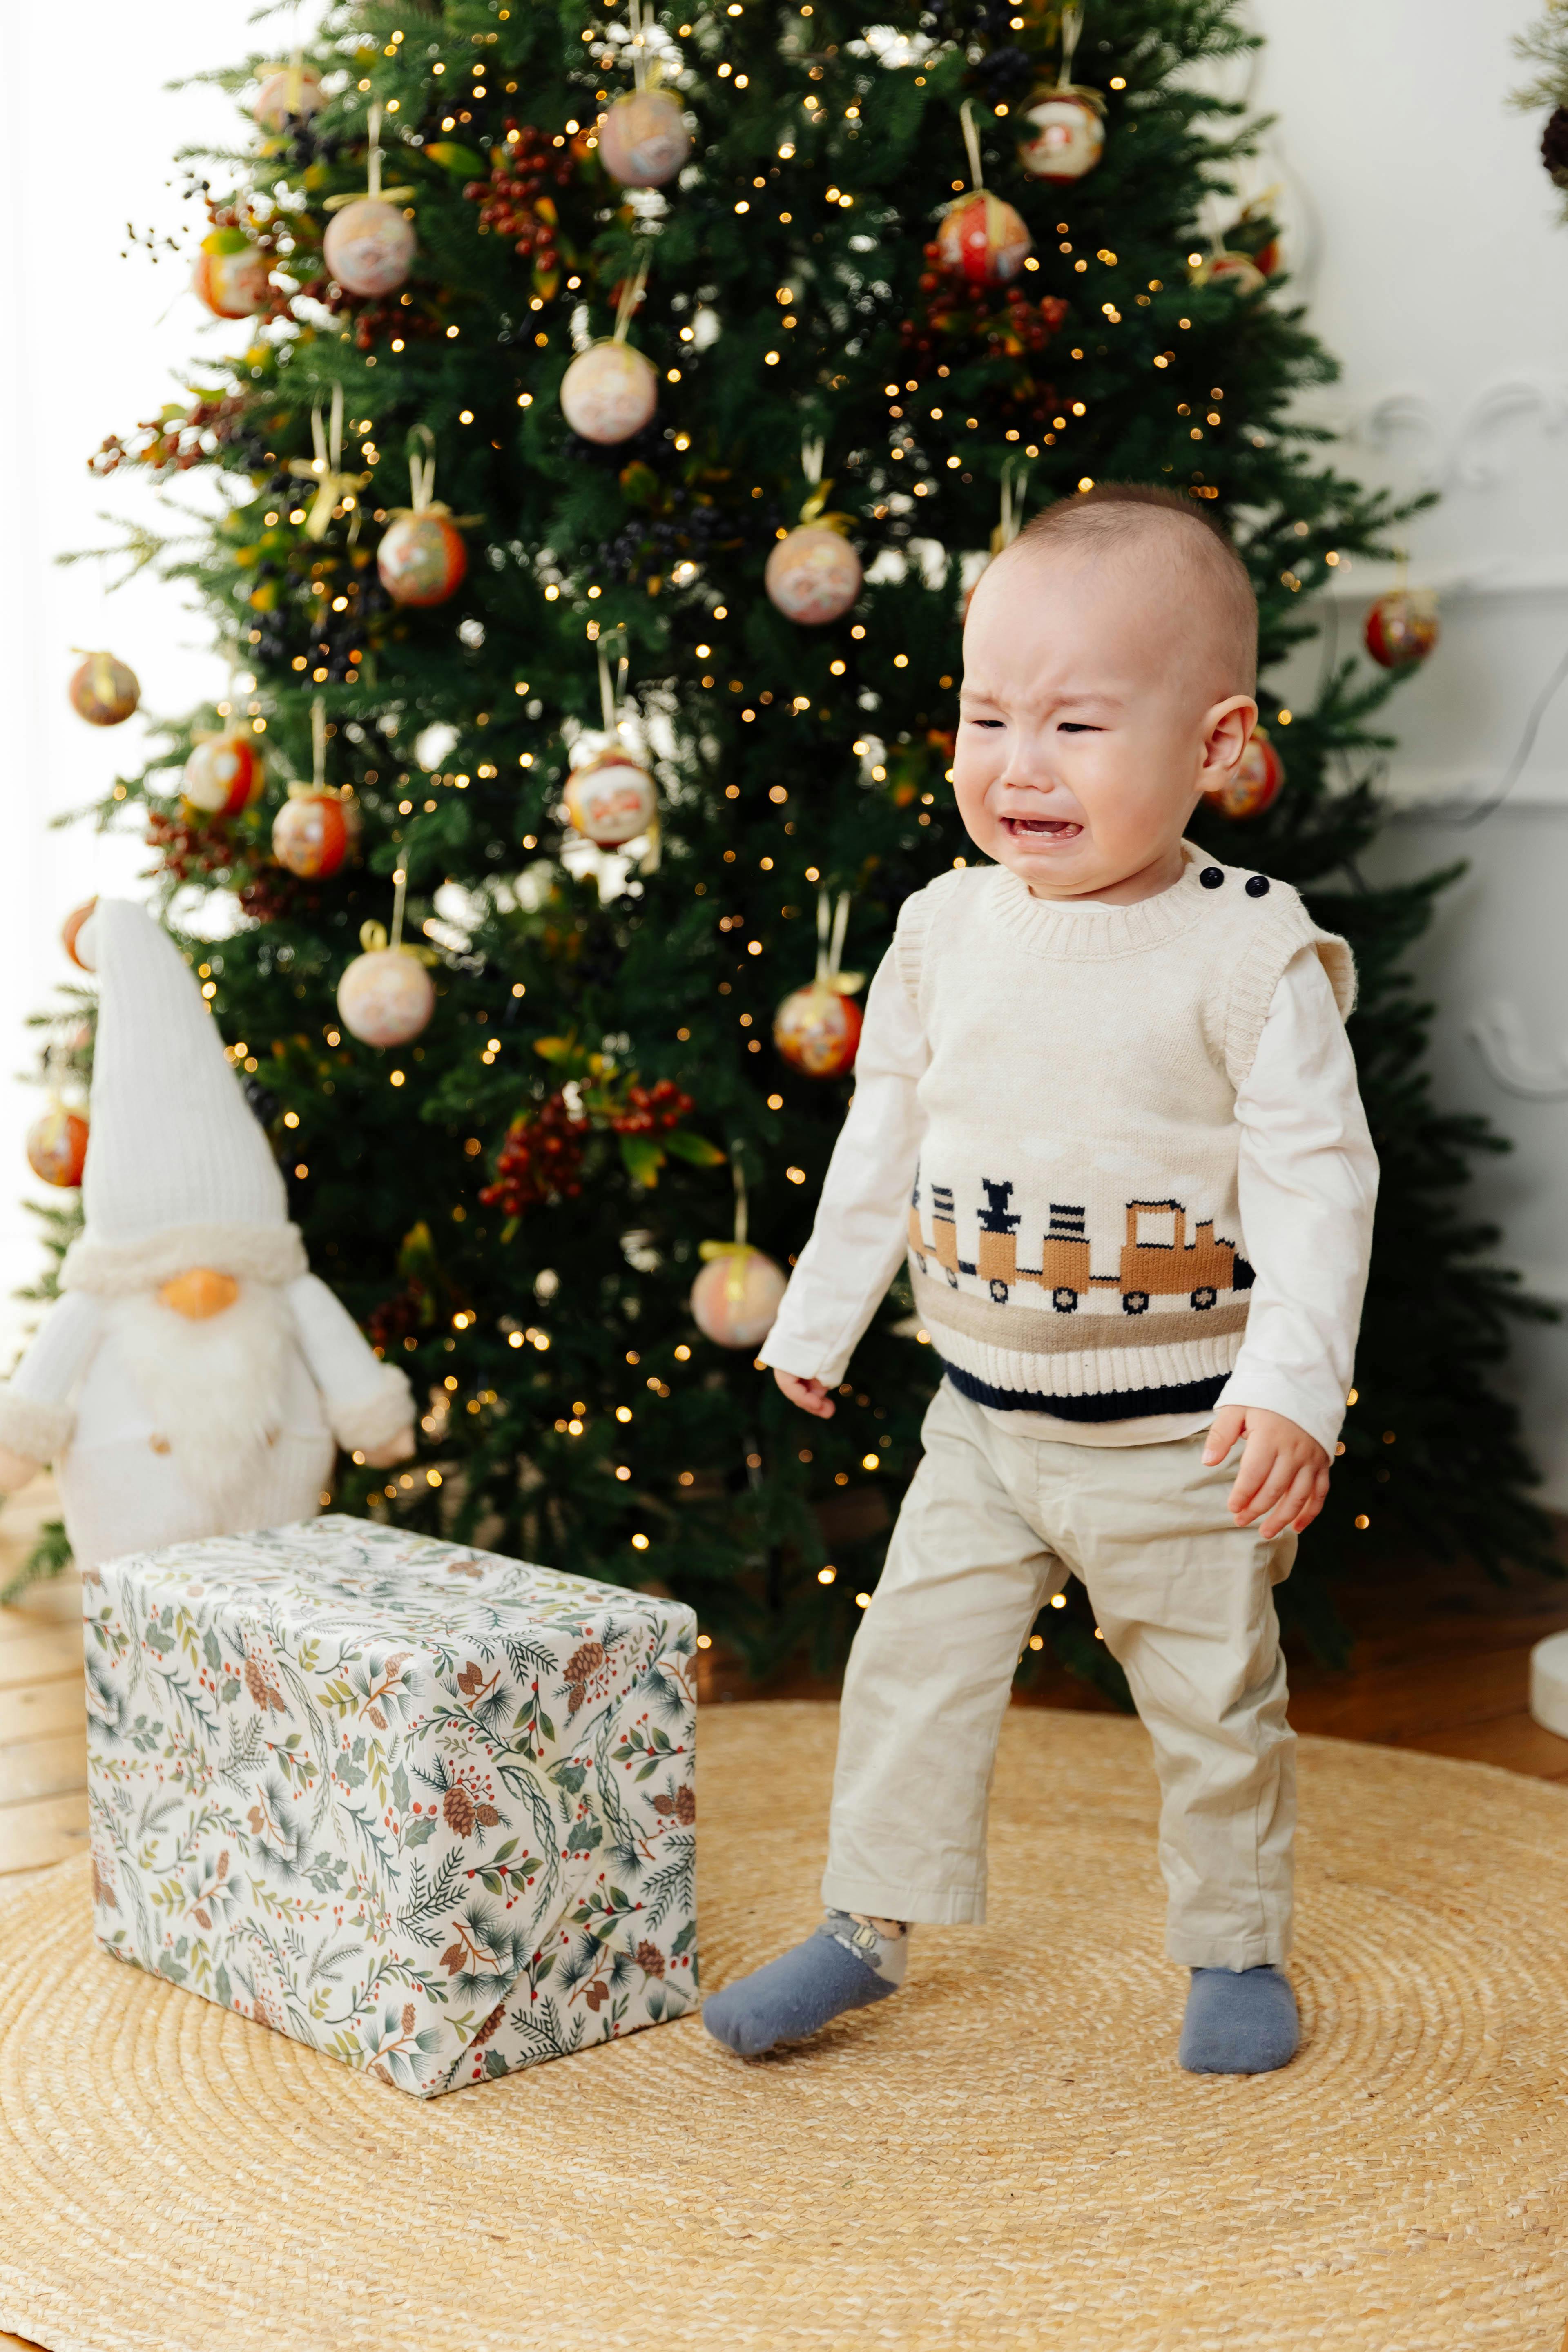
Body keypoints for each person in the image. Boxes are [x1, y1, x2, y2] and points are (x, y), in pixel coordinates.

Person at [703, 484, 1378, 2076]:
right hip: (985, 1427)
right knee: (911, 1678)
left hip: (1180, 1440)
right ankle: (864, 1928)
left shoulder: (1244, 952)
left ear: (1215, 748)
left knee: (1217, 1705)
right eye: (987, 715)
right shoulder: (945, 926)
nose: (1019, 765)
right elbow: (888, 1130)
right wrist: (822, 1310)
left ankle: (1231, 1946)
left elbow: (1316, 1180)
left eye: (1076, 724)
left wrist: (1291, 1385)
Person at [0, 901, 414, 1565]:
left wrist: (375, 1418)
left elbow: (348, 1370)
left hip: (278, 1515)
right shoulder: (101, 1297)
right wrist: (14, 1448)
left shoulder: (283, 1283)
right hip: (131, 1528)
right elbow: (37, 1393)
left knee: (275, 1599)